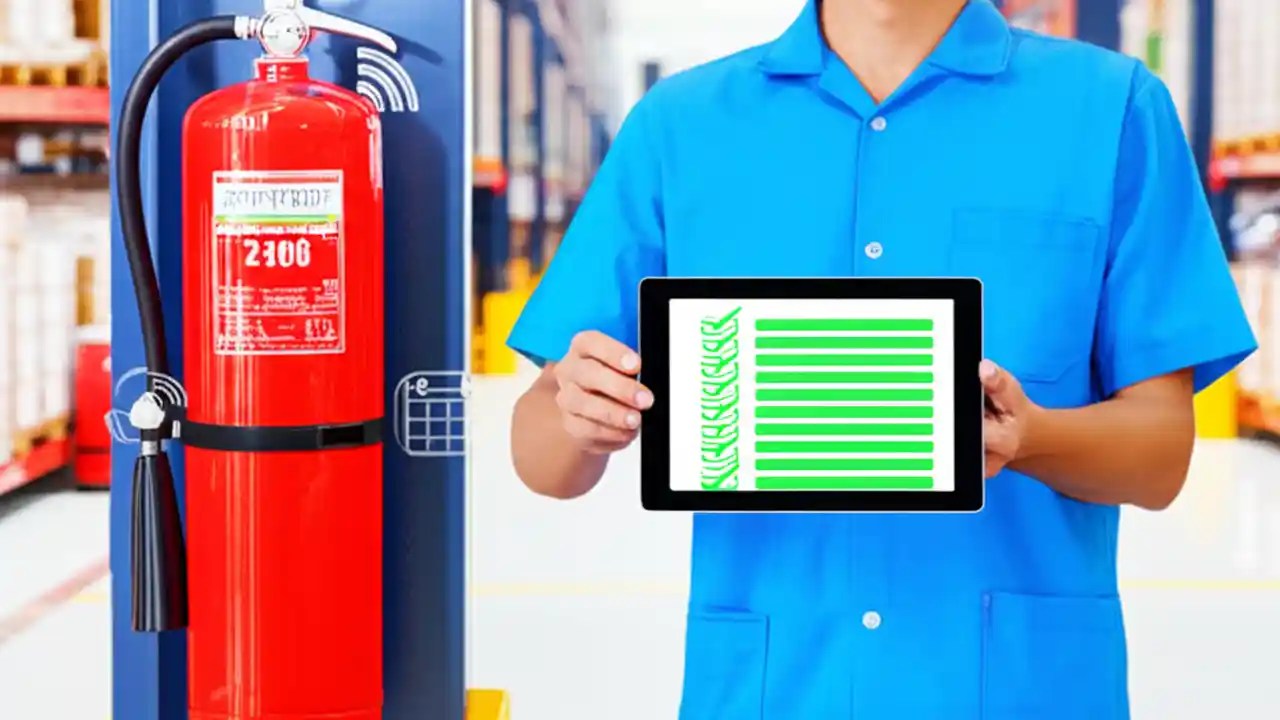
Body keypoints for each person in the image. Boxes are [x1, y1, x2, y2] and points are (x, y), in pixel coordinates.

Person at [506, 0, 1257, 717]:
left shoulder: (1111, 112)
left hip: (1022, 695)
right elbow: (541, 451)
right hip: (776, 692)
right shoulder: (680, 130)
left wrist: (1031, 438)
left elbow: (1161, 456)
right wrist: (577, 413)